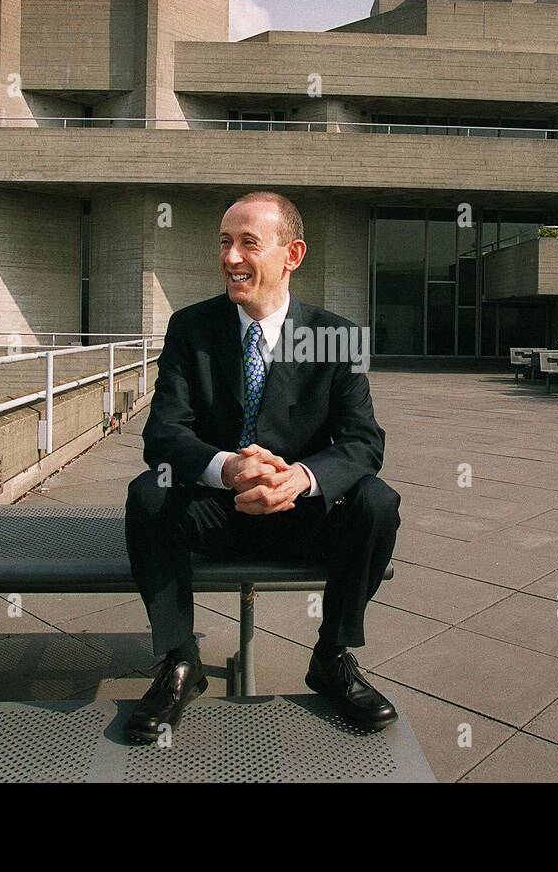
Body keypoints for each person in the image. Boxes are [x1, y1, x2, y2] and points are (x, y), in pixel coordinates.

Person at [123, 190, 401, 742]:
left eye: (248, 243)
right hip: (215, 512)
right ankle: (180, 662)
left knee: (377, 500)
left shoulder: (335, 337)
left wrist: (299, 478)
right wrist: (227, 467)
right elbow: (164, 433)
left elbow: (363, 440)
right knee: (148, 494)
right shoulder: (192, 328)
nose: (230, 258)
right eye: (224, 243)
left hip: (302, 517)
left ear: (292, 255)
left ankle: (333, 657)